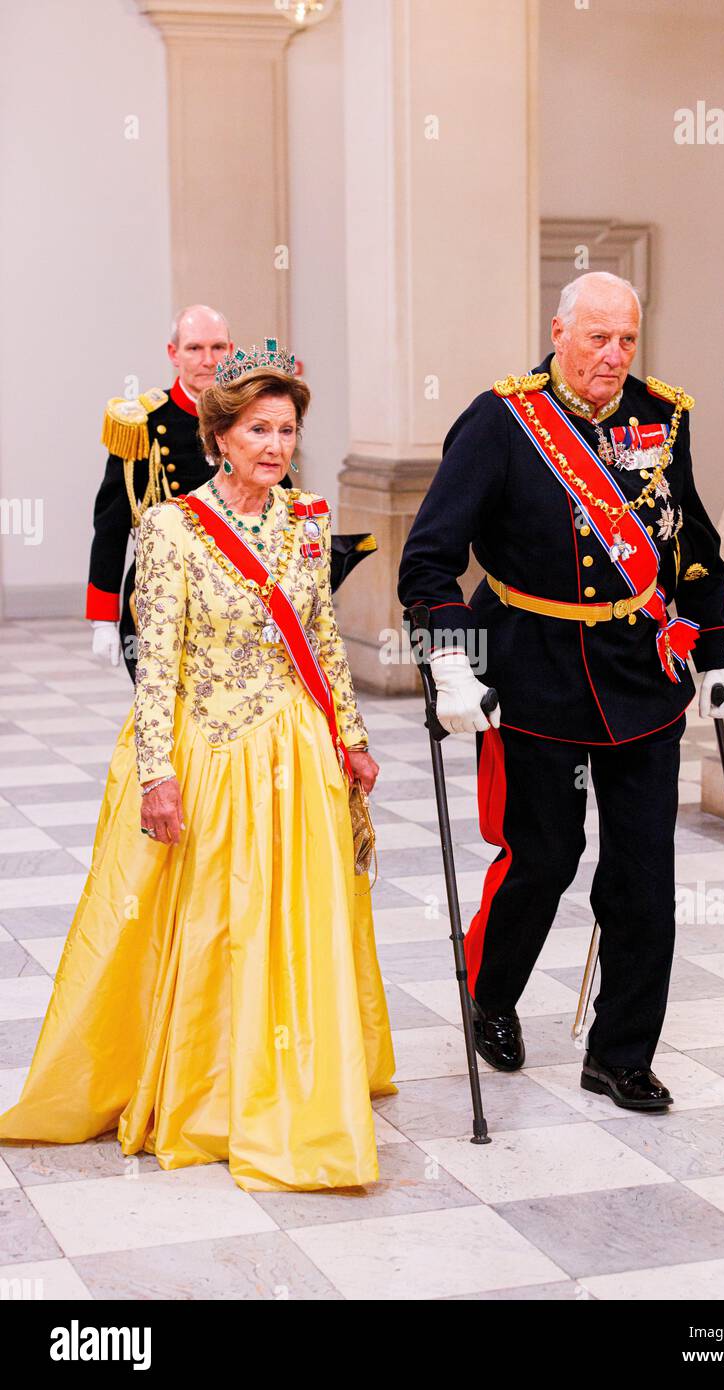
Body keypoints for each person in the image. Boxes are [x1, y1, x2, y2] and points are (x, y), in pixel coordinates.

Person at [0, 341, 396, 1191]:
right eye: (258, 428)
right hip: (210, 752)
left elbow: (322, 640)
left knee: (299, 917)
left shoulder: (304, 521)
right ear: (220, 437)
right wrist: (156, 774)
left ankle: (298, 1075)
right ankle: (211, 1084)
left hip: (295, 751)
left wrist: (352, 736)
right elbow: (160, 663)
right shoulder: (173, 528)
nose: (275, 445)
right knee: (222, 920)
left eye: (287, 430)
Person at [398, 272, 724, 1113]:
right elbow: (428, 559)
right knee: (543, 857)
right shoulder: (499, 420)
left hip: (640, 673)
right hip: (533, 671)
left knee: (643, 874)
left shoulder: (660, 416)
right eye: (597, 338)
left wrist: (716, 644)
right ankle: (490, 997)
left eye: (627, 339)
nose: (614, 356)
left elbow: (687, 539)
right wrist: (453, 659)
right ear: (558, 332)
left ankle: (620, 1053)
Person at [88, 304, 234, 679]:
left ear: (231, 350)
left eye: (217, 347)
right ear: (173, 354)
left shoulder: (250, 416)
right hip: (160, 593)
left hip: (236, 595)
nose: (208, 360)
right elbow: (112, 522)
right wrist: (103, 617)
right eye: (194, 348)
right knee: (162, 723)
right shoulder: (143, 422)